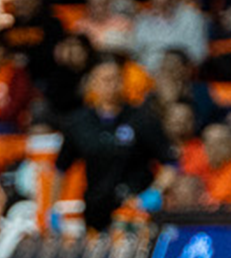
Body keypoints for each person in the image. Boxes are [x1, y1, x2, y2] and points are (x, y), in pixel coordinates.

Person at [55, 59, 171, 230]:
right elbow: (60, 168)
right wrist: (54, 208)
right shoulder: (78, 122)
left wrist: (154, 192)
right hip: (96, 207)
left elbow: (171, 163)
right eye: (105, 79)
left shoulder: (142, 118)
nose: (111, 85)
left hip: (135, 208)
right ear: (92, 83)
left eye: (116, 79)